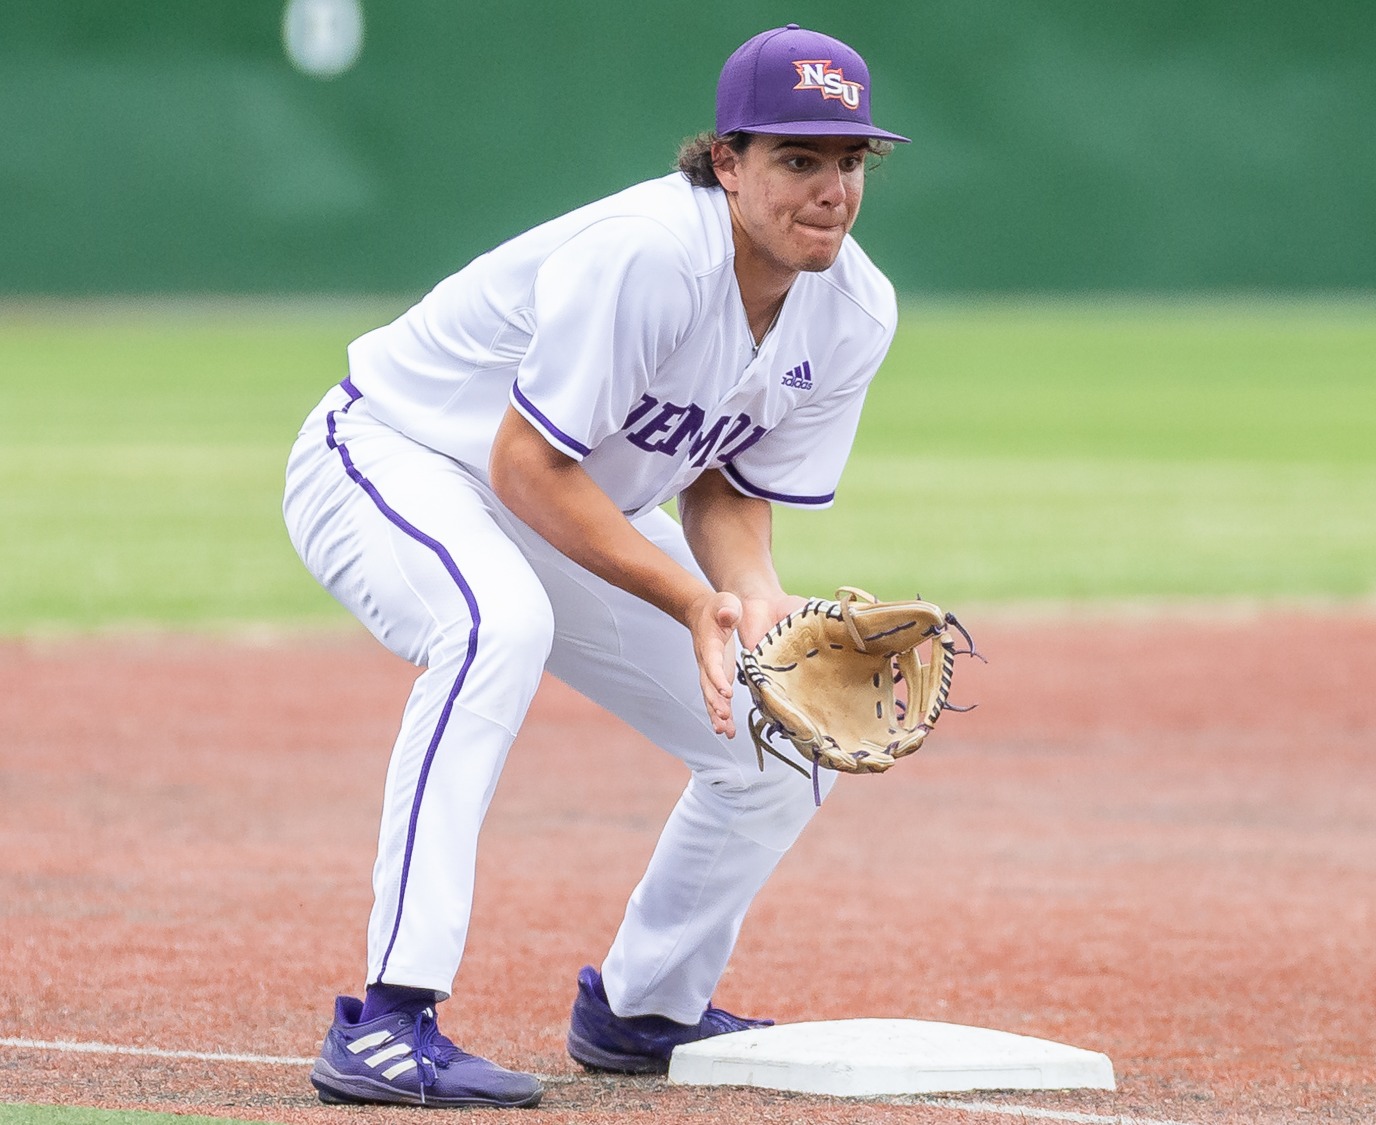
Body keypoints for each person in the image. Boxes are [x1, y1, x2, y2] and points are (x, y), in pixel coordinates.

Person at [280, 23, 910, 1108]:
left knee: (778, 734)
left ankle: (642, 1008)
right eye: (796, 160)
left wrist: (752, 608)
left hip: (554, 504)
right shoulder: (651, 253)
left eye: (848, 161)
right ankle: (388, 1018)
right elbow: (526, 465)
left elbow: (725, 483)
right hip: (394, 453)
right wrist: (688, 599)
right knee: (491, 629)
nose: (830, 189)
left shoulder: (853, 308)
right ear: (725, 160)